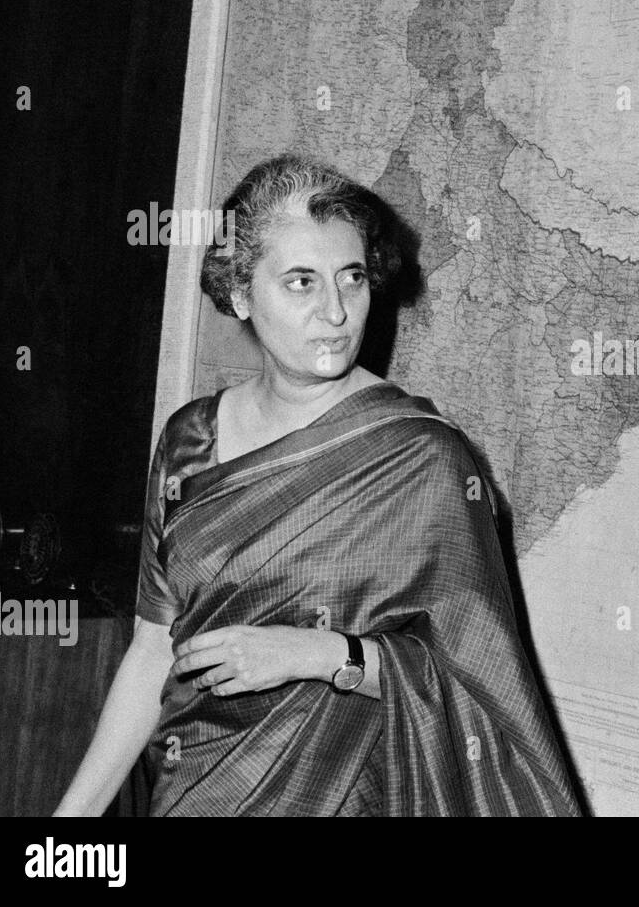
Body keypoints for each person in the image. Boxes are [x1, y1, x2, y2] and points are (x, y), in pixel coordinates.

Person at [56, 154, 580, 816]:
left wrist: (322, 653)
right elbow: (153, 650)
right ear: (241, 292)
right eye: (301, 282)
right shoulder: (188, 440)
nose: (336, 312)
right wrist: (65, 827)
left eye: (352, 278)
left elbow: (487, 690)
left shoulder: (423, 458)